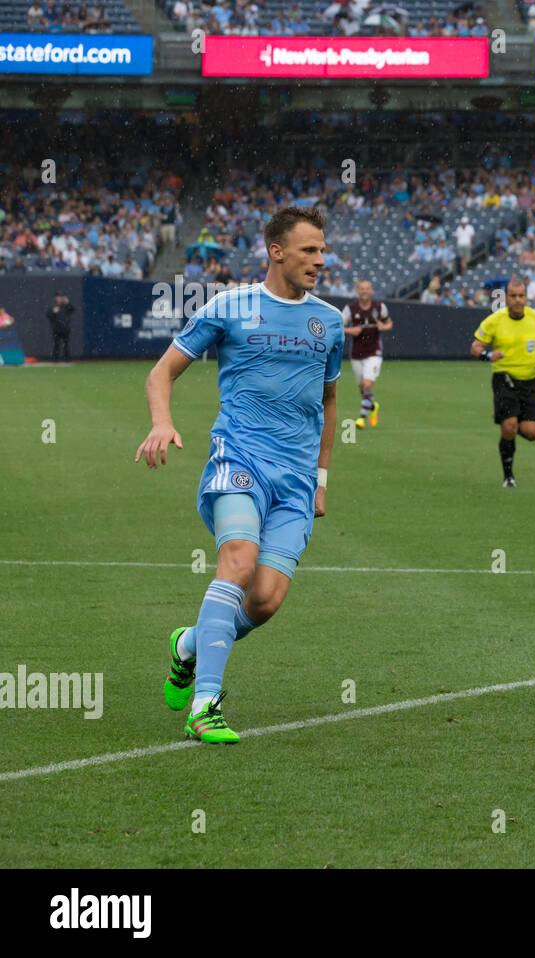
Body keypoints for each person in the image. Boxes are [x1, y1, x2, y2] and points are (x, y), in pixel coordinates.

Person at [135, 206, 344, 744]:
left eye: (322, 250)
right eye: (309, 250)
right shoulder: (230, 306)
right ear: (277, 251)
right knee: (239, 561)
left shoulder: (330, 321)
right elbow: (163, 372)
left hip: (296, 479)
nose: (321, 260)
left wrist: (321, 479)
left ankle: (188, 647)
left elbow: (329, 402)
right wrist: (162, 423)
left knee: (266, 599)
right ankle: (206, 704)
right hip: (239, 459)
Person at [470, 278, 535, 488]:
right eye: (513, 296)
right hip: (504, 379)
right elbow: (475, 347)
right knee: (509, 427)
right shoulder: (494, 320)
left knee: (533, 433)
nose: (518, 300)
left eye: (521, 296)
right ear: (505, 297)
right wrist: (488, 355)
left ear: (527, 297)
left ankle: (510, 422)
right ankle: (508, 476)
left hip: (531, 381)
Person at [342, 279, 392, 429]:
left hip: (374, 351)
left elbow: (389, 323)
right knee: (363, 389)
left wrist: (384, 326)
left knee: (367, 384)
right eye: (361, 289)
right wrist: (351, 330)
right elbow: (339, 326)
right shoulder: (350, 309)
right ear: (357, 291)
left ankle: (361, 418)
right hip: (357, 353)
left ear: (371, 291)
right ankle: (372, 407)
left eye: (367, 289)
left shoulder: (379, 307)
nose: (364, 291)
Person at [47, 293, 74, 363]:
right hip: (56, 329)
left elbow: (72, 309)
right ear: (55, 298)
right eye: (58, 297)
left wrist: (68, 302)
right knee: (57, 345)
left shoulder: (65, 306)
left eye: (60, 297)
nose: (59, 299)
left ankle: (67, 359)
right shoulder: (53, 306)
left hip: (65, 329)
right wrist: (53, 312)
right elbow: (48, 315)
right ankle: (55, 360)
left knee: (66, 344)